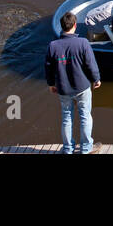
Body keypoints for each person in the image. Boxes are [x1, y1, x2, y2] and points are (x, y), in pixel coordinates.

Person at [46, 12, 101, 154]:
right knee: (85, 116)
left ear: (62, 27)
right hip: (82, 87)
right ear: (75, 25)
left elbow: (48, 67)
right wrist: (96, 79)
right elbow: (91, 64)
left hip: (63, 88)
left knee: (66, 117)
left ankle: (68, 149)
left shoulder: (53, 45)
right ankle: (86, 148)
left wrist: (51, 83)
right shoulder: (82, 43)